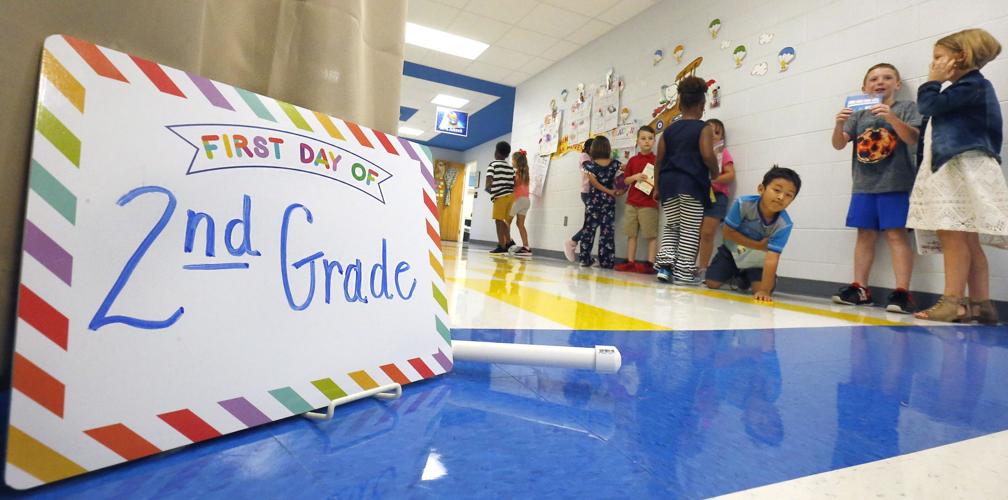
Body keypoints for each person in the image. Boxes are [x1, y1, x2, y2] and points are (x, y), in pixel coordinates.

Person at [907, 28, 1007, 323]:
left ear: (960, 56)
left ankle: (953, 301)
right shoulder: (972, 87)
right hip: (964, 164)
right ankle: (981, 304)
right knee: (967, 238)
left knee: (951, 232)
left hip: (959, 165)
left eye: (938, 57)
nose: (933, 64)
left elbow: (928, 105)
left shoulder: (970, 85)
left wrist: (932, 82)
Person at [830, 63, 922, 313]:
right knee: (864, 235)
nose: (880, 82)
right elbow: (839, 144)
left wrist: (890, 117)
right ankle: (861, 288)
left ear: (898, 84)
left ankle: (902, 292)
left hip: (897, 183)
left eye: (887, 77)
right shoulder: (858, 114)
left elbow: (914, 139)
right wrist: (839, 125)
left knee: (896, 235)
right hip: (863, 185)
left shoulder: (906, 108)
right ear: (864, 87)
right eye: (873, 79)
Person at [653, 76, 719, 284]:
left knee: (672, 226)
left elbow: (658, 161)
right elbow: (707, 154)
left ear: (680, 104)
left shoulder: (668, 130)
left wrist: (657, 187)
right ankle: (683, 273)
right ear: (702, 105)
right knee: (690, 228)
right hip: (691, 185)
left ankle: (665, 268)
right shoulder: (704, 128)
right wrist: (715, 172)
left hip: (668, 185)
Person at [704, 166, 800, 302]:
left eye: (789, 195)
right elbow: (727, 233)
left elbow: (772, 258)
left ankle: (755, 277)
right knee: (711, 283)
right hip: (733, 251)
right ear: (761, 189)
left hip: (758, 260)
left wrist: (765, 291)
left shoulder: (784, 224)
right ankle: (736, 274)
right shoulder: (743, 204)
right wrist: (757, 245)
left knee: (759, 290)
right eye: (777, 190)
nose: (781, 197)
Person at [615, 125, 659, 273]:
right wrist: (635, 177)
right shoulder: (633, 160)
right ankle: (630, 261)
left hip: (649, 204)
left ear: (654, 141)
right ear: (638, 141)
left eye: (650, 138)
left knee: (651, 234)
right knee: (631, 234)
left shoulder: (657, 160)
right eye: (643, 138)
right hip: (632, 203)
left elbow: (661, 181)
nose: (647, 141)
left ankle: (651, 263)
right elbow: (626, 181)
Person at [697, 119, 735, 278]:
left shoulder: (723, 153)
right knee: (695, 234)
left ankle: (703, 269)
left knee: (707, 233)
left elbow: (730, 175)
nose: (713, 135)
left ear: (722, 137)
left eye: (717, 132)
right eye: (709, 131)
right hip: (699, 196)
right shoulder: (697, 153)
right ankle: (689, 267)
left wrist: (712, 179)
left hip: (717, 196)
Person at [579, 136, 624, 268]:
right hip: (609, 202)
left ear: (593, 149)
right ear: (608, 149)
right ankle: (607, 261)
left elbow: (594, 182)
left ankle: (584, 259)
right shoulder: (615, 164)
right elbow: (628, 172)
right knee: (607, 231)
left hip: (593, 201)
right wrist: (619, 189)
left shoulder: (589, 165)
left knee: (588, 230)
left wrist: (612, 190)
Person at [565, 138, 595, 261]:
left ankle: (585, 256)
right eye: (594, 147)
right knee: (591, 223)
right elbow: (590, 168)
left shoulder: (591, 158)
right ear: (588, 148)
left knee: (592, 223)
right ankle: (572, 241)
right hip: (587, 193)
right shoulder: (584, 156)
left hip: (593, 193)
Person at [484, 141, 516, 254]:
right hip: (511, 197)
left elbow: (488, 184)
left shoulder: (492, 165)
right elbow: (514, 184)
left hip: (500, 197)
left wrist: (493, 193)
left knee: (498, 221)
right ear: (507, 155)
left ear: (496, 152)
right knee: (504, 221)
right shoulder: (510, 168)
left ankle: (502, 245)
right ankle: (509, 242)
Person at [509, 150, 533, 258]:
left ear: (516, 161)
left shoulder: (517, 173)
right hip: (526, 201)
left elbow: (513, 185)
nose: (511, 161)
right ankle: (526, 248)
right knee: (520, 224)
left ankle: (507, 243)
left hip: (518, 200)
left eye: (512, 159)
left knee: (506, 221)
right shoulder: (525, 173)